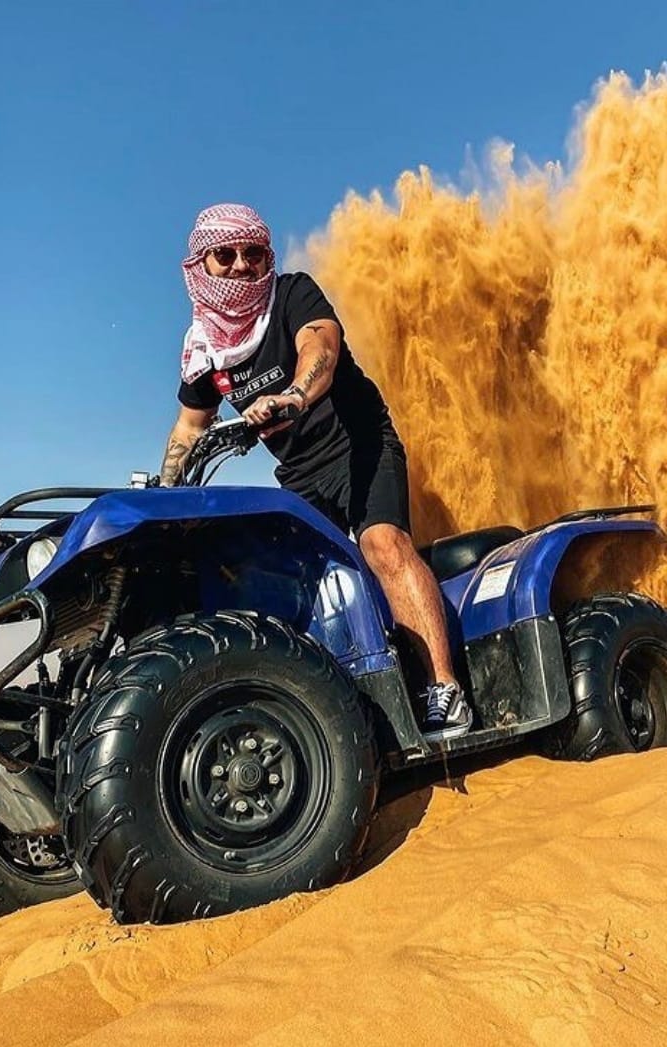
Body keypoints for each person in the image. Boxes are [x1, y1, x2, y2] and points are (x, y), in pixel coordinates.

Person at [159, 203, 471, 741]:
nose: (240, 265)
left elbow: (321, 347)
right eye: (225, 255)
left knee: (382, 544)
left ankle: (445, 689)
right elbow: (189, 427)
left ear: (267, 258)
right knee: (285, 580)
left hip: (359, 445)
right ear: (200, 265)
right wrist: (166, 488)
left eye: (253, 253)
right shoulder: (205, 351)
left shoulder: (291, 294)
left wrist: (295, 396)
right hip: (300, 475)